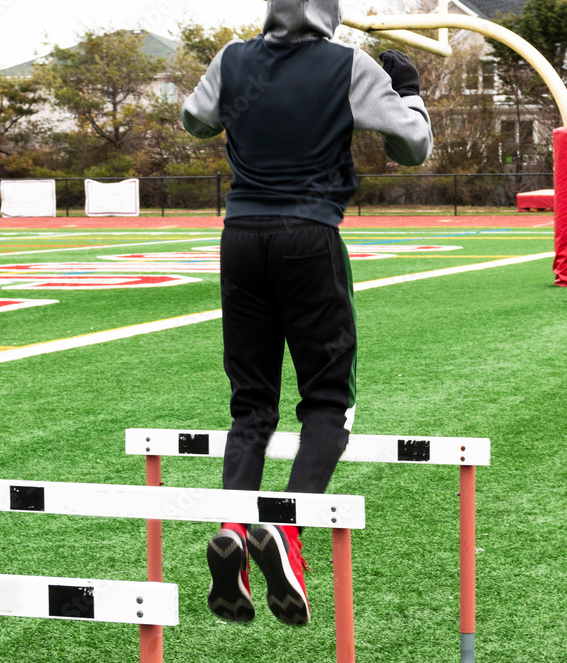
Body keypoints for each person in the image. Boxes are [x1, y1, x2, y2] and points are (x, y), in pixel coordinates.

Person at [181, 0, 433, 626]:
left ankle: (235, 527)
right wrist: (409, 90)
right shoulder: (349, 63)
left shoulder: (234, 57)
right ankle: (286, 532)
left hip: (240, 237)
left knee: (250, 404)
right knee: (328, 401)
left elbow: (194, 120)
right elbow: (413, 148)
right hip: (309, 235)